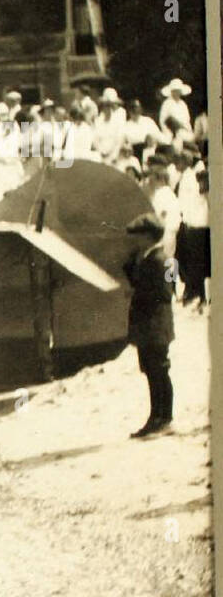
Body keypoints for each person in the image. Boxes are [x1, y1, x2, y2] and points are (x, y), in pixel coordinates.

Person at [123, 212, 176, 437]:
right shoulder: (153, 258)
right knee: (155, 371)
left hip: (155, 325)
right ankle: (161, 417)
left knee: (158, 372)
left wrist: (139, 294)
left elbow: (165, 294)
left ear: (147, 237)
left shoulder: (159, 260)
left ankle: (161, 418)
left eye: (138, 235)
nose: (135, 239)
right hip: (152, 326)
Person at [176, 148, 209, 308]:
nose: (177, 163)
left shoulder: (190, 178)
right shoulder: (183, 177)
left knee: (192, 261)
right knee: (184, 260)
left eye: (179, 161)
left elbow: (188, 203)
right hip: (187, 221)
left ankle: (194, 292)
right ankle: (188, 291)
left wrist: (185, 221)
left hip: (190, 222)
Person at [92, 87, 126, 164]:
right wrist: (101, 152)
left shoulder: (118, 121)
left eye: (110, 105)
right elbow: (95, 140)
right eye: (105, 105)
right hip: (100, 155)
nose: (107, 108)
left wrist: (113, 156)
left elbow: (119, 141)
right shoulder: (98, 121)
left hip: (114, 156)